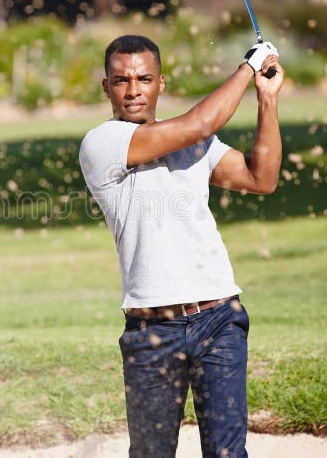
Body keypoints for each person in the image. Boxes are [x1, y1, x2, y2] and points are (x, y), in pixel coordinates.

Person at [78, 34, 283, 458]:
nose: (133, 90)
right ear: (106, 87)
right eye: (121, 80)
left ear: (161, 84)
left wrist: (266, 99)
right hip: (151, 331)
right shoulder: (102, 144)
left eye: (144, 78)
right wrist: (249, 65)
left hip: (219, 319)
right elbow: (199, 123)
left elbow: (261, 178)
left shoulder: (197, 146)